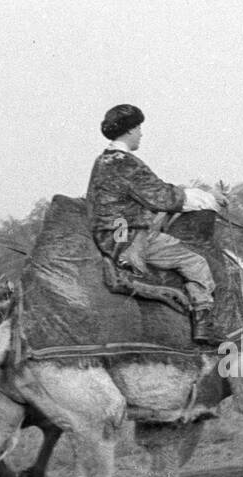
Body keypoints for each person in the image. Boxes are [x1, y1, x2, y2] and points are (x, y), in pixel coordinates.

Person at [87, 104, 227, 344]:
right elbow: (164, 196)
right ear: (130, 130)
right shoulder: (126, 163)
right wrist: (209, 199)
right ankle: (203, 323)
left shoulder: (103, 161)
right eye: (139, 128)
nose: (141, 133)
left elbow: (151, 194)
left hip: (109, 233)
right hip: (128, 238)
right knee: (196, 262)